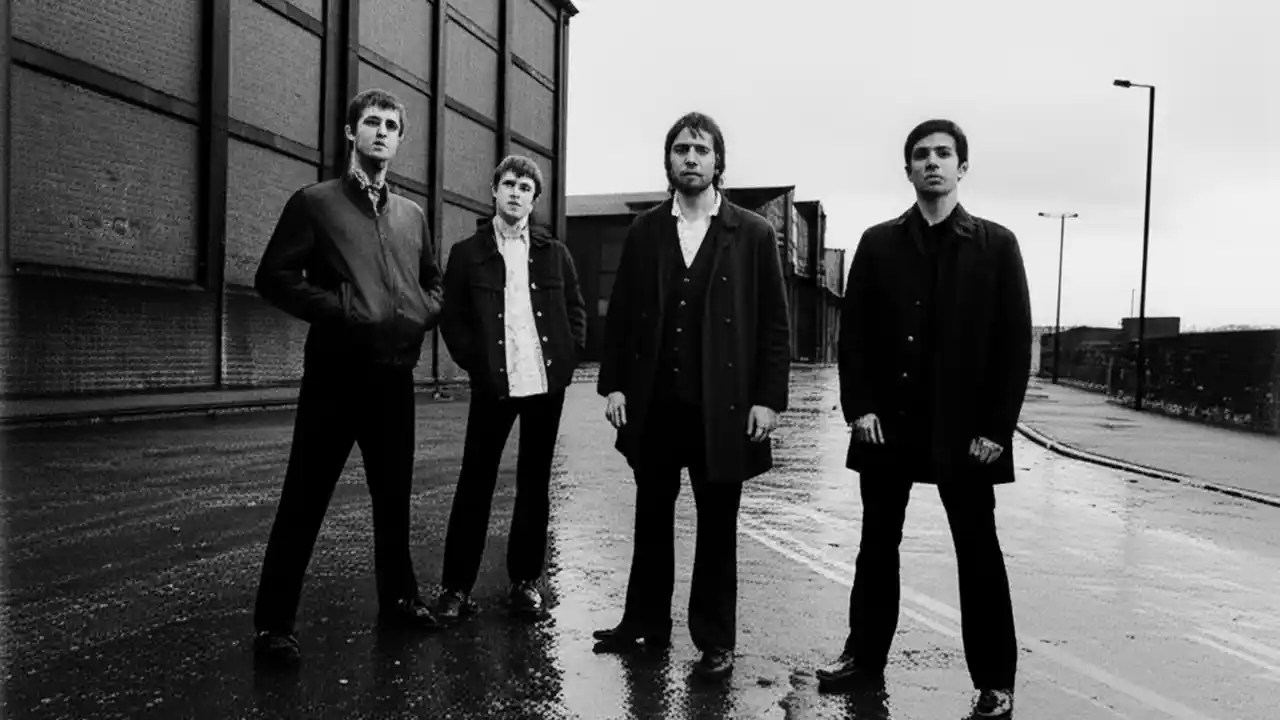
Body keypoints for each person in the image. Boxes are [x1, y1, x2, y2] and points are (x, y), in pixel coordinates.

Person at [816, 119, 1031, 720]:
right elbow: (852, 337)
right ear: (907, 169)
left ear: (962, 167)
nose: (932, 162)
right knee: (876, 547)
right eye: (920, 155)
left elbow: (1015, 346)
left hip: (967, 435)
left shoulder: (997, 244)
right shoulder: (879, 243)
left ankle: (994, 681)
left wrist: (997, 427)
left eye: (943, 154)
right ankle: (864, 659)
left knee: (979, 553)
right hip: (888, 426)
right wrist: (859, 408)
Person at [592, 111, 791, 680]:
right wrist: (615, 386)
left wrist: (768, 399)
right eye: (681, 149)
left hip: (723, 408)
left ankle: (715, 641)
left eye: (701, 149)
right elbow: (623, 313)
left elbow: (774, 326)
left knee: (717, 525)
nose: (690, 158)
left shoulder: (752, 233)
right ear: (669, 161)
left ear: (718, 162)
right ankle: (645, 626)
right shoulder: (647, 231)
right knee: (651, 517)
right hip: (655, 404)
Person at [251, 89, 444, 665]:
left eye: (392, 125)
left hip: (393, 378)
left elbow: (433, 283)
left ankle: (400, 600)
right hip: (335, 375)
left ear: (400, 139)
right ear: (351, 133)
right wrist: (340, 309)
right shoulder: (315, 203)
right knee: (304, 499)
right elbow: (273, 276)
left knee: (394, 498)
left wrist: (418, 313)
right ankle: (274, 625)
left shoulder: (411, 215)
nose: (382, 132)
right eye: (372, 123)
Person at [433, 155, 587, 623]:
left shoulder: (554, 253)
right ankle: (456, 589)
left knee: (534, 483)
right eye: (509, 184)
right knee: (475, 482)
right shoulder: (467, 252)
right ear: (494, 192)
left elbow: (575, 311)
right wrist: (477, 365)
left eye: (525, 186)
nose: (516, 192)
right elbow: (453, 318)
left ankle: (524, 584)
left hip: (544, 384)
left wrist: (567, 358)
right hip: (494, 385)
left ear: (535, 199)